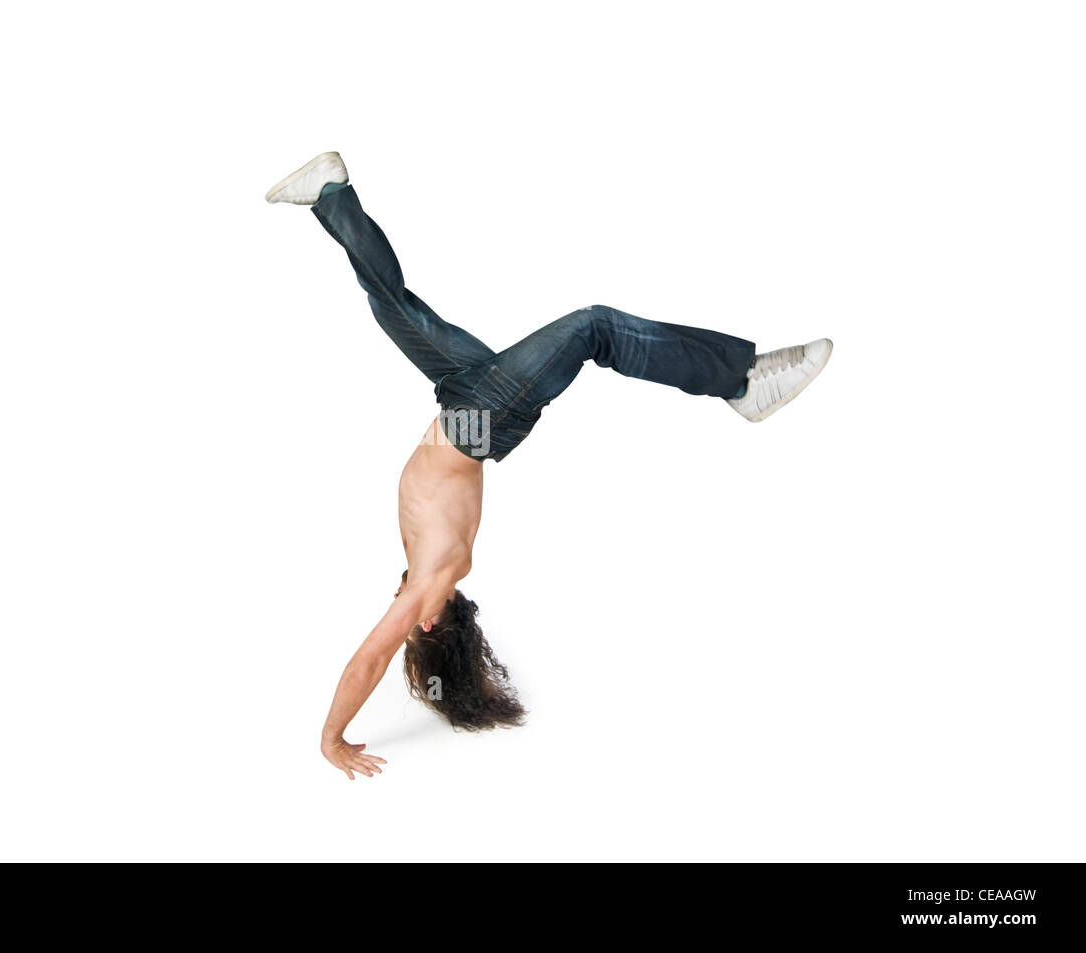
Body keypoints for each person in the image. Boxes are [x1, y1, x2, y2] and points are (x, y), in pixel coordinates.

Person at [265, 152, 833, 779]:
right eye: (404, 621)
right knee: (594, 328)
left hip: (463, 403)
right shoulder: (432, 578)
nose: (392, 606)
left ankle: (330, 194)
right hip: (480, 419)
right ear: (426, 619)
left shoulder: (432, 564)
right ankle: (742, 383)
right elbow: (366, 661)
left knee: (391, 302)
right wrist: (331, 736)